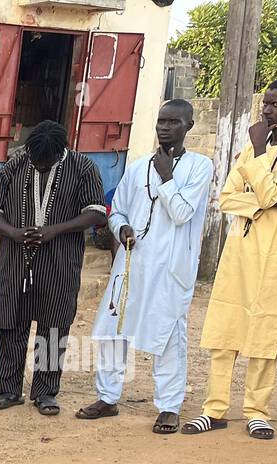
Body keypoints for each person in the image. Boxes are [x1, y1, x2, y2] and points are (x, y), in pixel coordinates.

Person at [76, 101, 213, 433]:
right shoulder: (137, 167)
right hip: (131, 263)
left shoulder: (199, 167)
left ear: (189, 126)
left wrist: (167, 177)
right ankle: (107, 398)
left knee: (166, 335)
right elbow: (117, 210)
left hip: (168, 269)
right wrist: (121, 228)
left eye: (173, 122)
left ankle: (168, 406)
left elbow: (182, 213)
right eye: (161, 122)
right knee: (112, 330)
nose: (164, 128)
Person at [0, 120, 106, 415]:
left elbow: (96, 212)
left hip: (60, 262)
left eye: (45, 164)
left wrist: (56, 230)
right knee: (10, 323)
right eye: (35, 163)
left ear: (61, 152)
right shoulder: (15, 165)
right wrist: (12, 233)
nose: (39, 168)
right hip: (15, 261)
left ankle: (45, 393)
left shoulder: (83, 167)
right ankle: (9, 390)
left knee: (53, 326)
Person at [183, 80, 277, 440]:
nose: (267, 110)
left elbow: (276, 195)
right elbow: (226, 198)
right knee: (225, 333)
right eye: (266, 104)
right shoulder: (249, 151)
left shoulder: (254, 151)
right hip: (238, 256)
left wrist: (259, 167)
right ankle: (215, 409)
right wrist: (262, 201)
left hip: (275, 262)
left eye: (275, 104)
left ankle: (257, 412)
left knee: (264, 336)